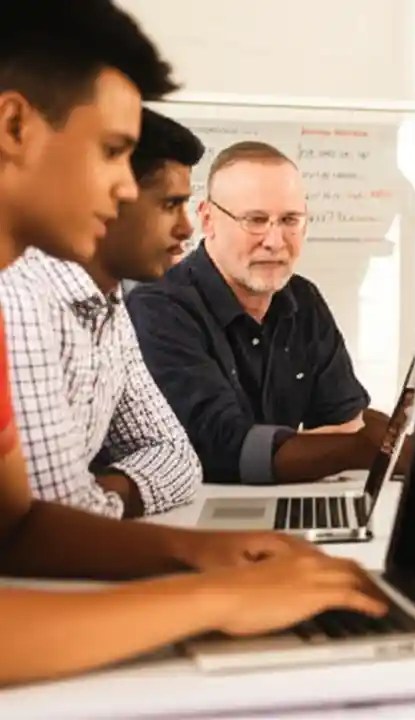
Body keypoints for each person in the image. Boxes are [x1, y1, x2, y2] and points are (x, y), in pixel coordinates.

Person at [0, 0, 382, 687]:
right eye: (113, 152)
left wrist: (209, 554)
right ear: (15, 126)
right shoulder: (25, 301)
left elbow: (22, 529)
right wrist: (213, 596)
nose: (126, 187)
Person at [128, 140, 398, 485]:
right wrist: (357, 447)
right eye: (255, 220)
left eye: (290, 220)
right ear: (208, 220)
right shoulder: (160, 308)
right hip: (191, 515)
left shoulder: (303, 299)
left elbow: (346, 421)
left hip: (276, 499)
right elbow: (219, 448)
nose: (275, 240)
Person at [0, 108, 204, 519]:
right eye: (170, 205)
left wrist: (103, 495)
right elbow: (48, 517)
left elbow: (176, 455)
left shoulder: (109, 306)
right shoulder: (21, 297)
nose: (187, 228)